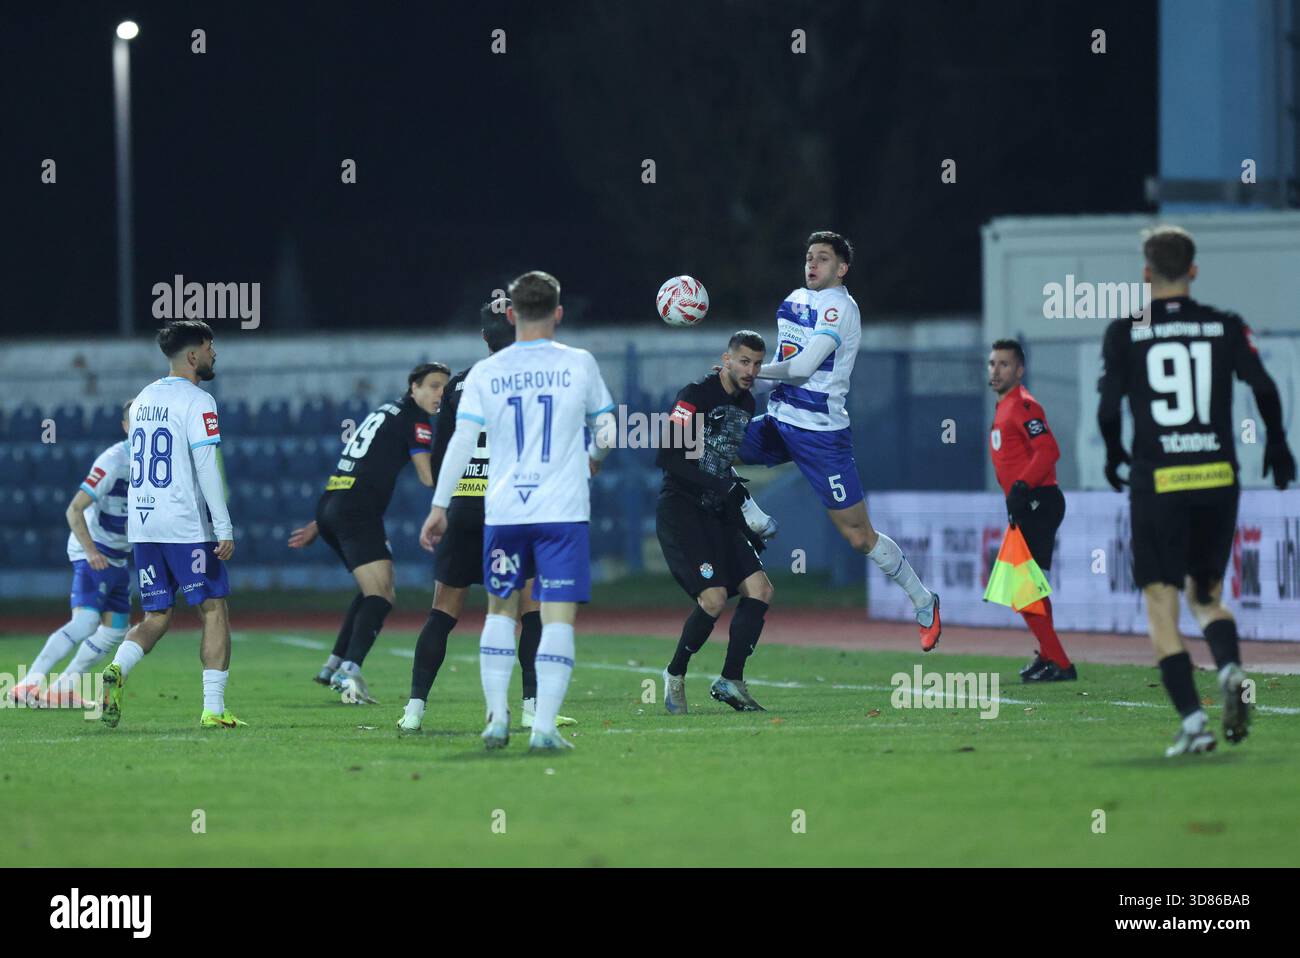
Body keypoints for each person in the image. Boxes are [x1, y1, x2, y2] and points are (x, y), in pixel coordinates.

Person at [1097, 225, 1297, 756]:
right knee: (1207, 596)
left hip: (1159, 479)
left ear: (1145, 272)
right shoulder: (1223, 325)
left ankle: (1193, 723)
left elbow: (1107, 408)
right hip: (1216, 476)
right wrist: (1277, 447)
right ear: (1193, 270)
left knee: (1161, 604)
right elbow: (1264, 386)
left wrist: (1115, 454)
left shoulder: (1124, 332)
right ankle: (1230, 668)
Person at [421, 270, 617, 751]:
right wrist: (592, 460)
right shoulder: (580, 363)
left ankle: (496, 719)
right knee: (555, 616)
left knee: (500, 611)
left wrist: (439, 505)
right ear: (558, 313)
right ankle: (544, 727)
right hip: (562, 509)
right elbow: (608, 432)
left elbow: (462, 443)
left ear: (510, 313)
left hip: (505, 509)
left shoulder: (486, 372)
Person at [739, 230, 941, 649]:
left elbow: (802, 368)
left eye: (824, 259)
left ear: (842, 269)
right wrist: (745, 380)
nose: (812, 264)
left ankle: (923, 599)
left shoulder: (840, 309)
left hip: (821, 436)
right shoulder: (794, 299)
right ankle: (751, 513)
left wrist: (749, 372)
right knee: (703, 441)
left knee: (858, 537)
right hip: (780, 421)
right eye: (809, 257)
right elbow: (783, 362)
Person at [400, 303, 574, 734]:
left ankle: (414, 710)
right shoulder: (535, 380)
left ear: (483, 337)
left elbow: (444, 451)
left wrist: (442, 506)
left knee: (443, 610)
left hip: (462, 504)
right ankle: (532, 707)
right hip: (513, 509)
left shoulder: (460, 384)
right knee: (530, 608)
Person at [100, 320, 241, 729]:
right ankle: (214, 709)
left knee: (156, 616)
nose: (214, 353)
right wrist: (224, 526)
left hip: (144, 524)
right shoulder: (198, 401)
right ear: (193, 354)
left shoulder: (143, 398)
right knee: (214, 609)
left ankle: (117, 670)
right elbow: (206, 465)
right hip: (184, 524)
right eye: (210, 346)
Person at [288, 362, 449, 704]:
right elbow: (428, 477)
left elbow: (359, 463)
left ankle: (333, 665)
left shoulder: (385, 411)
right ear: (414, 388)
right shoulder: (416, 421)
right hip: (356, 513)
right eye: (433, 386)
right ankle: (349, 672)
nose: (440, 394)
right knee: (382, 595)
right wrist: (465, 481)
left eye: (444, 388)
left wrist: (320, 522)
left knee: (371, 590)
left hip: (333, 504)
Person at [658, 330, 775, 714]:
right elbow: (670, 459)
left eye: (757, 364)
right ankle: (674, 675)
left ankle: (731, 680)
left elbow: (722, 460)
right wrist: (722, 488)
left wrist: (742, 522)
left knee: (760, 589)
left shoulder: (746, 401)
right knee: (714, 598)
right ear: (726, 359)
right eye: (744, 361)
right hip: (683, 509)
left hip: (718, 511)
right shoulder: (695, 396)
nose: (751, 370)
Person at [10, 401, 133, 708]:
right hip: (95, 550)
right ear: (125, 426)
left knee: (116, 629)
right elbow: (74, 508)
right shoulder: (114, 460)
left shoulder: (156, 461)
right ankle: (28, 683)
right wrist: (90, 551)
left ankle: (63, 688)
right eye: (136, 421)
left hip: (119, 555)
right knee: (85, 623)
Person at [986, 339, 1073, 682]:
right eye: (992, 363)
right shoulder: (1005, 406)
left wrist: (1022, 486)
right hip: (1026, 504)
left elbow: (1049, 450)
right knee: (1027, 589)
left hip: (1039, 501)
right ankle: (1050, 656)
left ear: (1019, 370)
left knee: (1023, 589)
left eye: (1004, 364)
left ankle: (1061, 663)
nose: (996, 370)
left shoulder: (1023, 405)